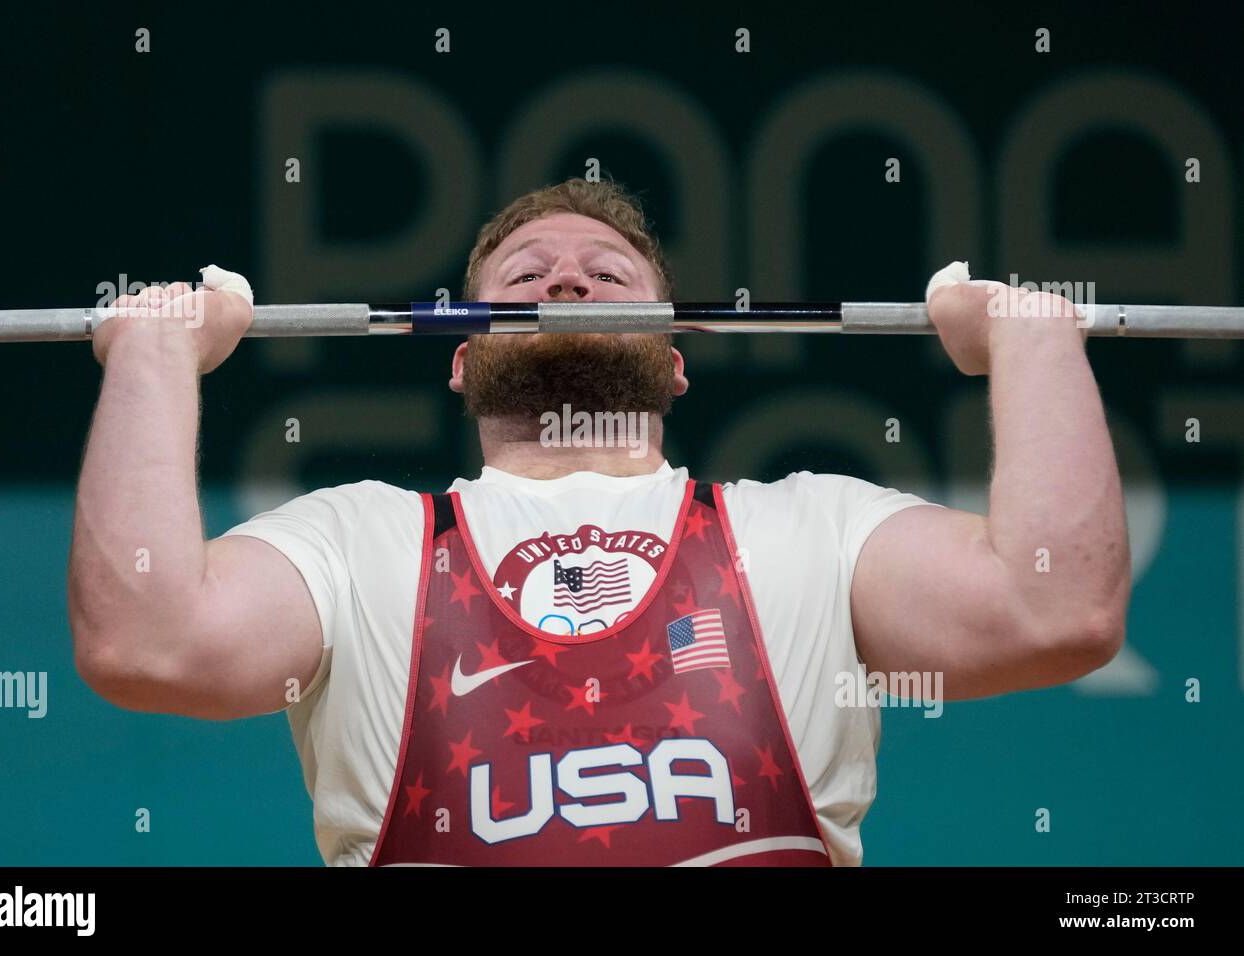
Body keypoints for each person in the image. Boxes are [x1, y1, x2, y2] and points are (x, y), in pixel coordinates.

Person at [68, 178, 1131, 866]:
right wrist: (153, 360)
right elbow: (145, 642)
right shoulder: (357, 539)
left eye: (605, 274)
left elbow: (1057, 607)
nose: (566, 276)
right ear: (461, 357)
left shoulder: (813, 524)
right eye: (524, 276)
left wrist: (1034, 348)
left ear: (672, 356)